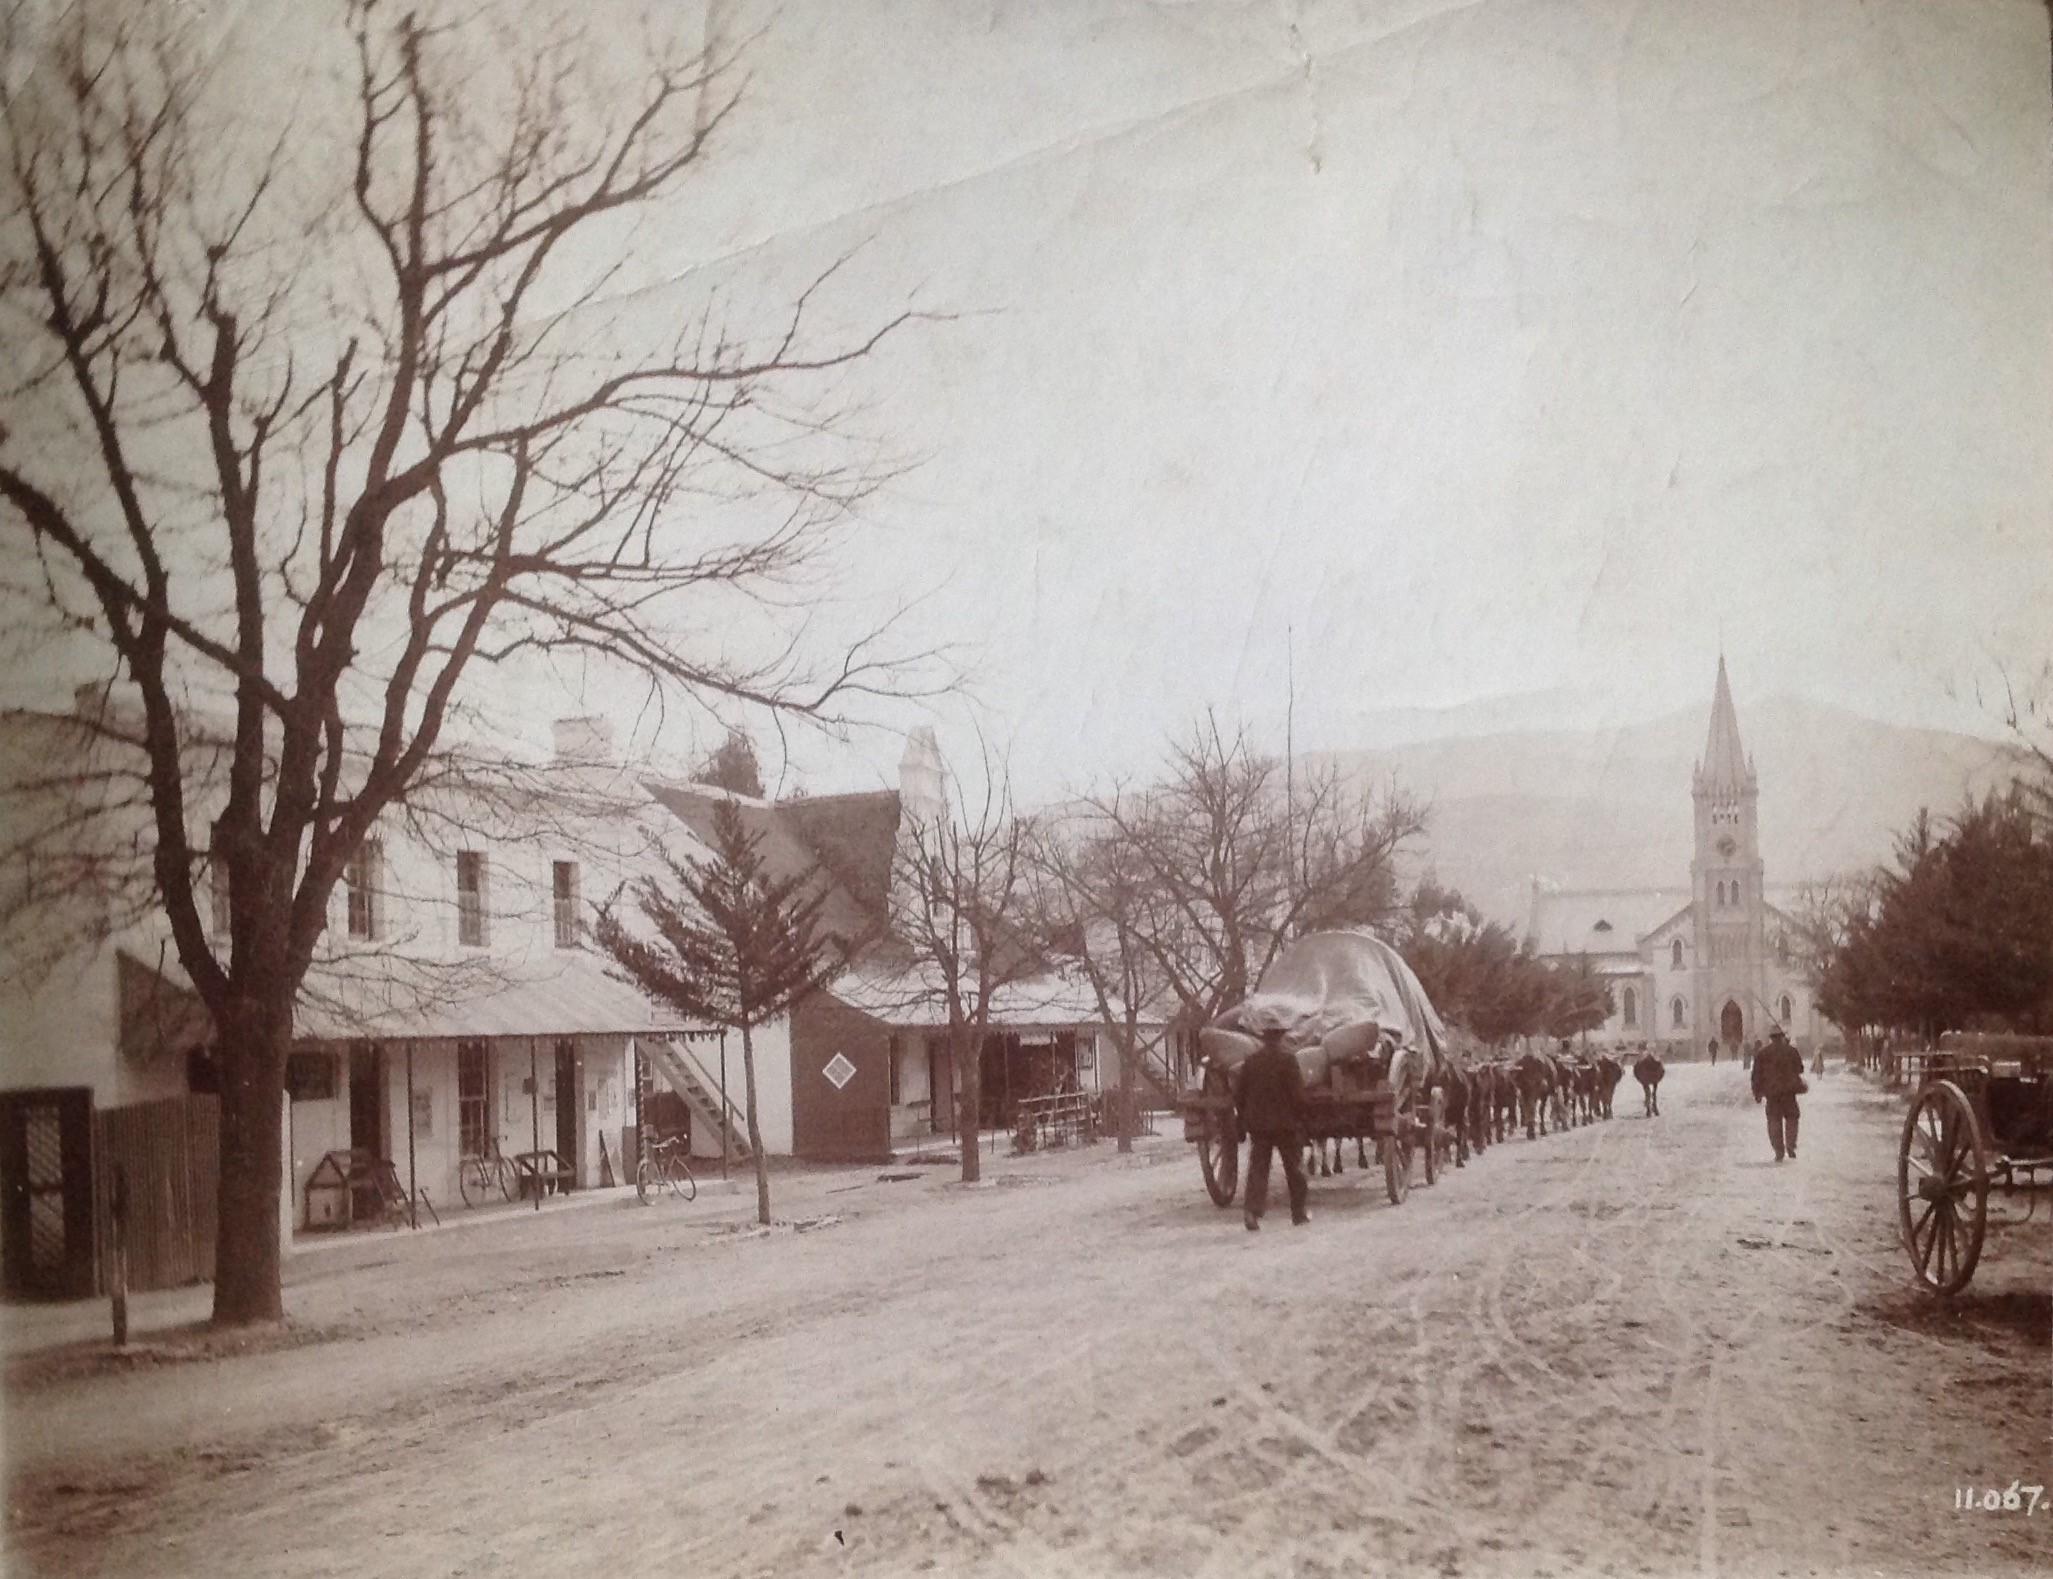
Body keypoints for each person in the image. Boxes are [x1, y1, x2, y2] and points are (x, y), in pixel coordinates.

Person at [1236, 1024, 1309, 1230]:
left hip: (1259, 1125)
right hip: (1286, 1125)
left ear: (1263, 1039)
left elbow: (1239, 1095)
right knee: (1294, 1170)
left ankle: (1252, 1212)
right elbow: (1298, 1096)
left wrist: (1242, 1120)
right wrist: (1303, 1119)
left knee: (1258, 1170)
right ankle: (1298, 1213)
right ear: (1280, 1038)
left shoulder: (1251, 1062)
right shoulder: (1288, 1060)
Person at [1751, 1026, 1808, 1161]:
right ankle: (1790, 1145)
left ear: (1770, 1038)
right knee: (1792, 1118)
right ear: (1782, 1036)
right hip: (1789, 1092)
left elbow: (1756, 1076)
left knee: (1773, 1121)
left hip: (1772, 1094)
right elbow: (1800, 1068)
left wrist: (1757, 1093)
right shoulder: (1791, 1051)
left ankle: (1779, 1150)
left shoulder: (1762, 1053)